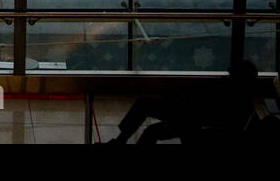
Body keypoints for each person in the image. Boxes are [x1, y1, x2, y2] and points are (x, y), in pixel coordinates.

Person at [107, 59, 260, 145]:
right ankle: (120, 141)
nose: (228, 75)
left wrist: (179, 99)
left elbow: (203, 106)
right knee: (144, 106)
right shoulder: (241, 97)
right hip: (188, 116)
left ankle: (120, 141)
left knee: (146, 114)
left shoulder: (229, 93)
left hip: (189, 121)